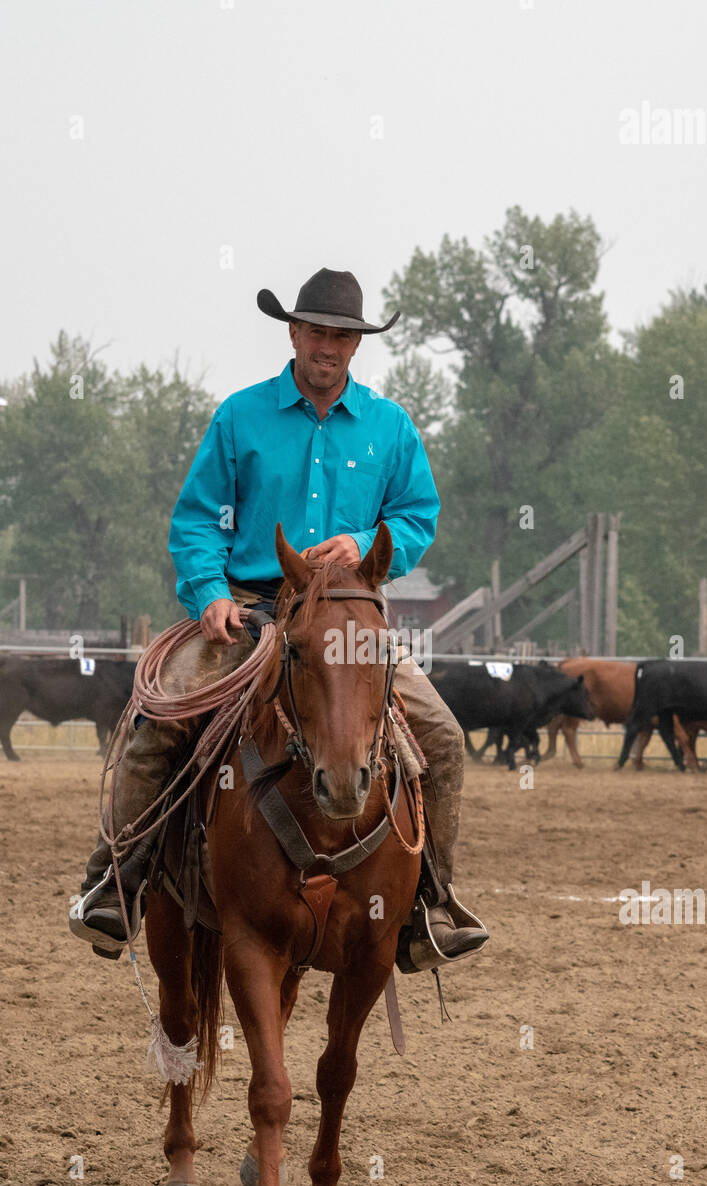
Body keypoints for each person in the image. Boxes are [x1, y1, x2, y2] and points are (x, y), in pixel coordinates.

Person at [70, 268, 489, 967]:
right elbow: (198, 518)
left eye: (343, 336)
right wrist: (207, 590)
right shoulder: (241, 416)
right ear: (293, 333)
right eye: (318, 331)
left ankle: (430, 904)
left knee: (441, 738)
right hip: (254, 612)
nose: (329, 345)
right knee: (163, 719)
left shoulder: (390, 427)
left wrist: (364, 543)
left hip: (351, 623)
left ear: (356, 346)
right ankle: (116, 882)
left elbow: (416, 515)